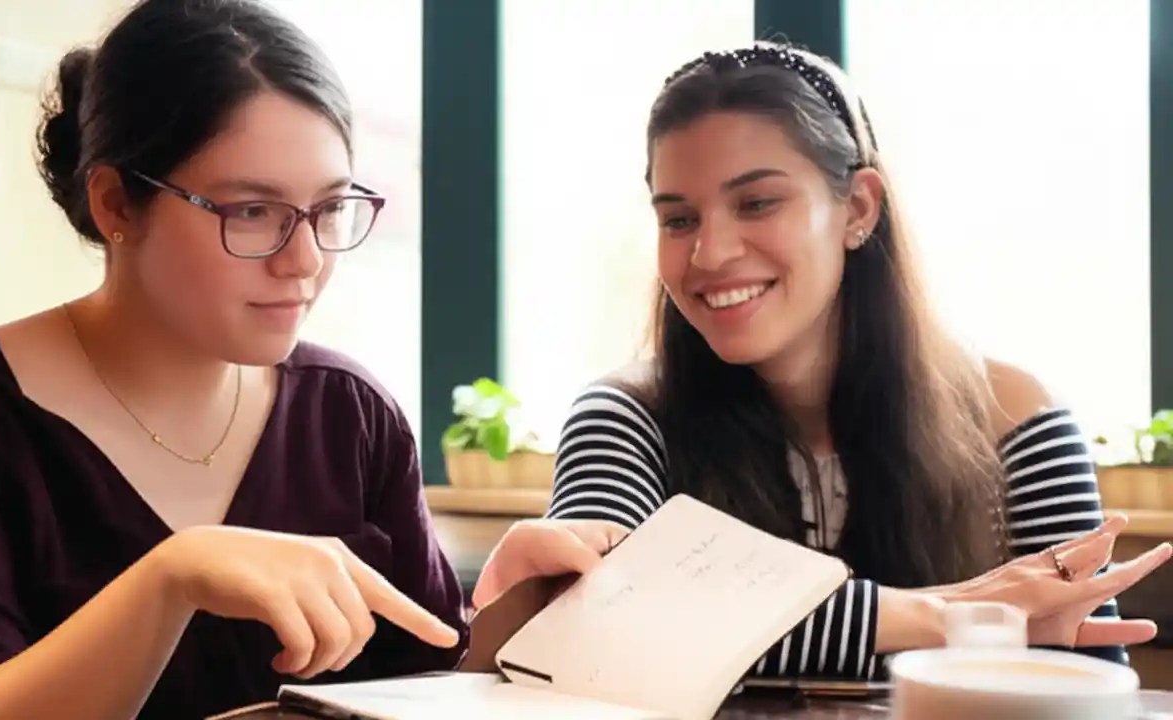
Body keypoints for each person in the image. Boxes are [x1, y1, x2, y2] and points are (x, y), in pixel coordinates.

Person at [474, 42, 1172, 680]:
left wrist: (699, 608)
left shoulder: (1015, 417)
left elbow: (1080, 676)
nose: (709, 254)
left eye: (757, 203)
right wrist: (957, 613)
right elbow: (597, 626)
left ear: (858, 208)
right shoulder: (625, 415)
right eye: (678, 218)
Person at [0, 1, 466, 718]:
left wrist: (543, 606)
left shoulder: (349, 416)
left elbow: (440, 677)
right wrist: (171, 579)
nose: (306, 260)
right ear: (116, 205)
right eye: (251, 211)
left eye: (328, 209)